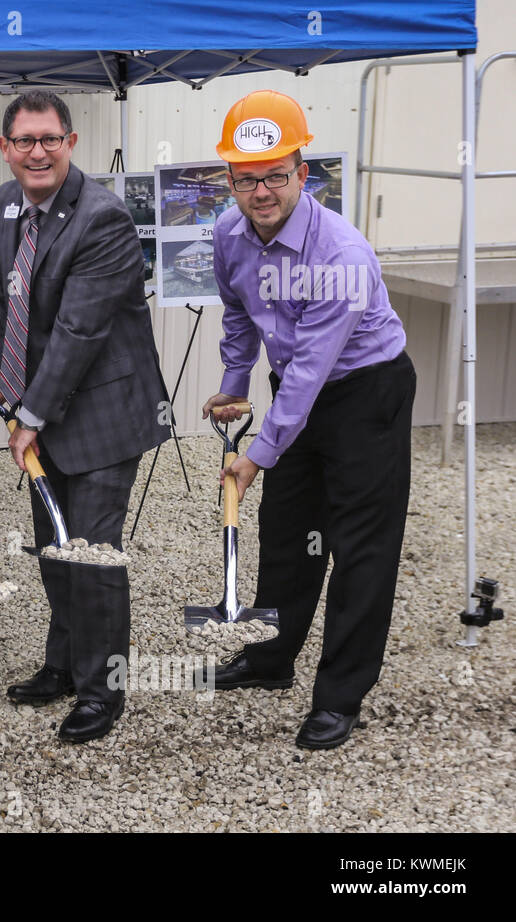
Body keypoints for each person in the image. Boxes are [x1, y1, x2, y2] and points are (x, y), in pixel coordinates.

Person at [200, 90, 415, 750]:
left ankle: (340, 695)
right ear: (229, 179)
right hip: (296, 391)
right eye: (246, 177)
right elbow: (238, 315)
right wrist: (234, 386)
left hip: (364, 395)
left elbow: (311, 373)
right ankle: (268, 661)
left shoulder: (341, 256)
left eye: (274, 175)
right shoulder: (227, 234)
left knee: (360, 548)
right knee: (289, 534)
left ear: (302, 172)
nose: (260, 191)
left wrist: (256, 456)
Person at [0, 91, 171, 742]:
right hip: (46, 408)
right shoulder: (7, 205)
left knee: (91, 554)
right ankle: (62, 665)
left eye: (50, 139)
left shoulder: (104, 219)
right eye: (24, 141)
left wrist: (29, 413)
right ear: (4, 148)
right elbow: (16, 300)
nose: (38, 152)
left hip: (104, 413)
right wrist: (2, 367)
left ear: (71, 143)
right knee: (55, 549)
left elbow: (78, 331)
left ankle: (102, 692)